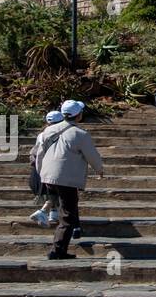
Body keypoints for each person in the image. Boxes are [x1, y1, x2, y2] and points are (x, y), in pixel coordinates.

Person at [32, 100, 104, 260]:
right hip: (66, 178)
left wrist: (41, 173)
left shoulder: (48, 131)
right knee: (68, 216)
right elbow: (92, 155)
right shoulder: (80, 134)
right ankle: (57, 251)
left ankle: (58, 247)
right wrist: (99, 169)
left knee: (62, 210)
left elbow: (39, 154)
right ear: (78, 115)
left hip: (48, 176)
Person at [28, 109, 64, 227]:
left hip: (39, 168)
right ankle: (44, 211)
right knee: (57, 190)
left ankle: (52, 213)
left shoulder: (41, 135)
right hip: (51, 167)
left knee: (51, 191)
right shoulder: (62, 135)